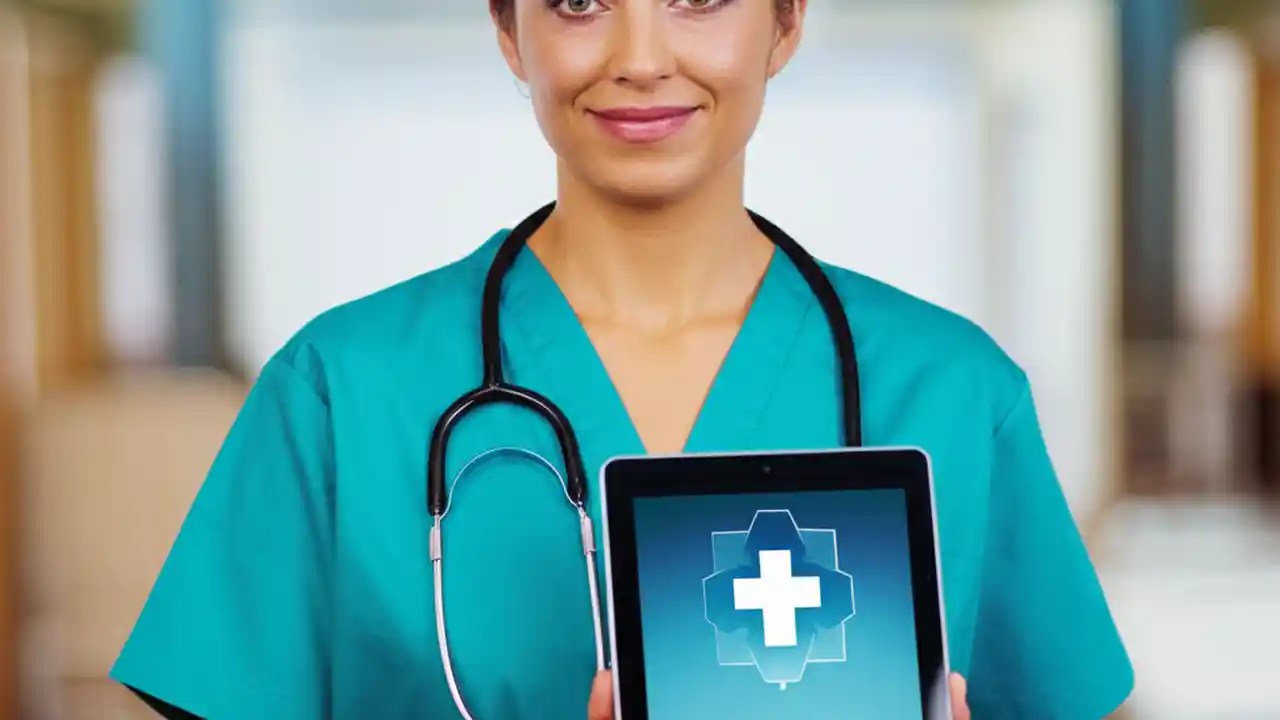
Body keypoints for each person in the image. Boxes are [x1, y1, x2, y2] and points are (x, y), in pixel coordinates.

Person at [111, 0, 1134, 718]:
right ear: (507, 30)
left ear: (787, 21)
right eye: (578, 1)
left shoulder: (953, 394)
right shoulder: (342, 392)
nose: (640, 56)